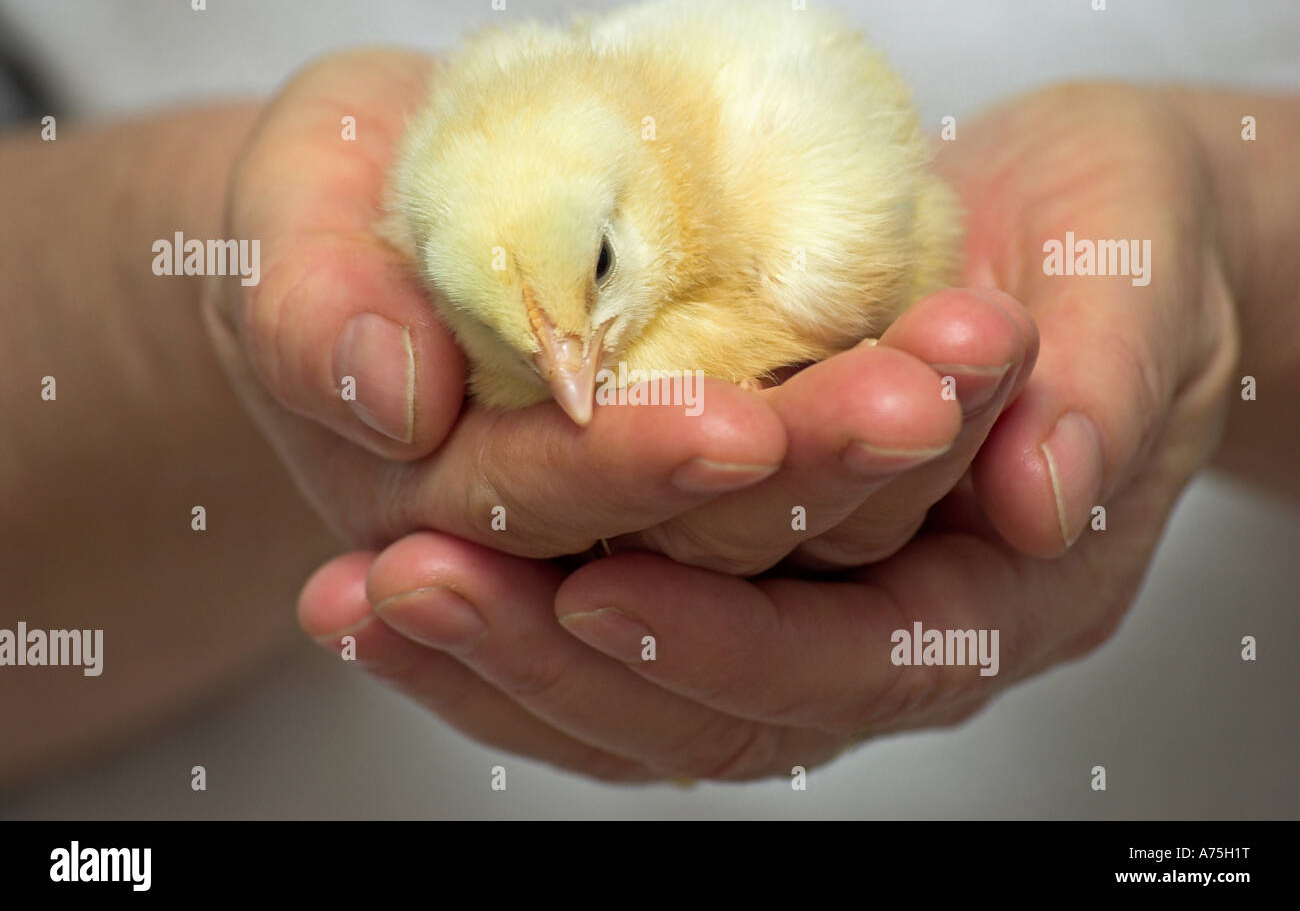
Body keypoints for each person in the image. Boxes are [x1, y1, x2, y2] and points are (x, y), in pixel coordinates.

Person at [3, 40, 1294, 784]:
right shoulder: (505, 241)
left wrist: (1238, 245)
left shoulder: (800, 217)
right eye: (513, 336)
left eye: (597, 289)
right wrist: (234, 294)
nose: (568, 382)